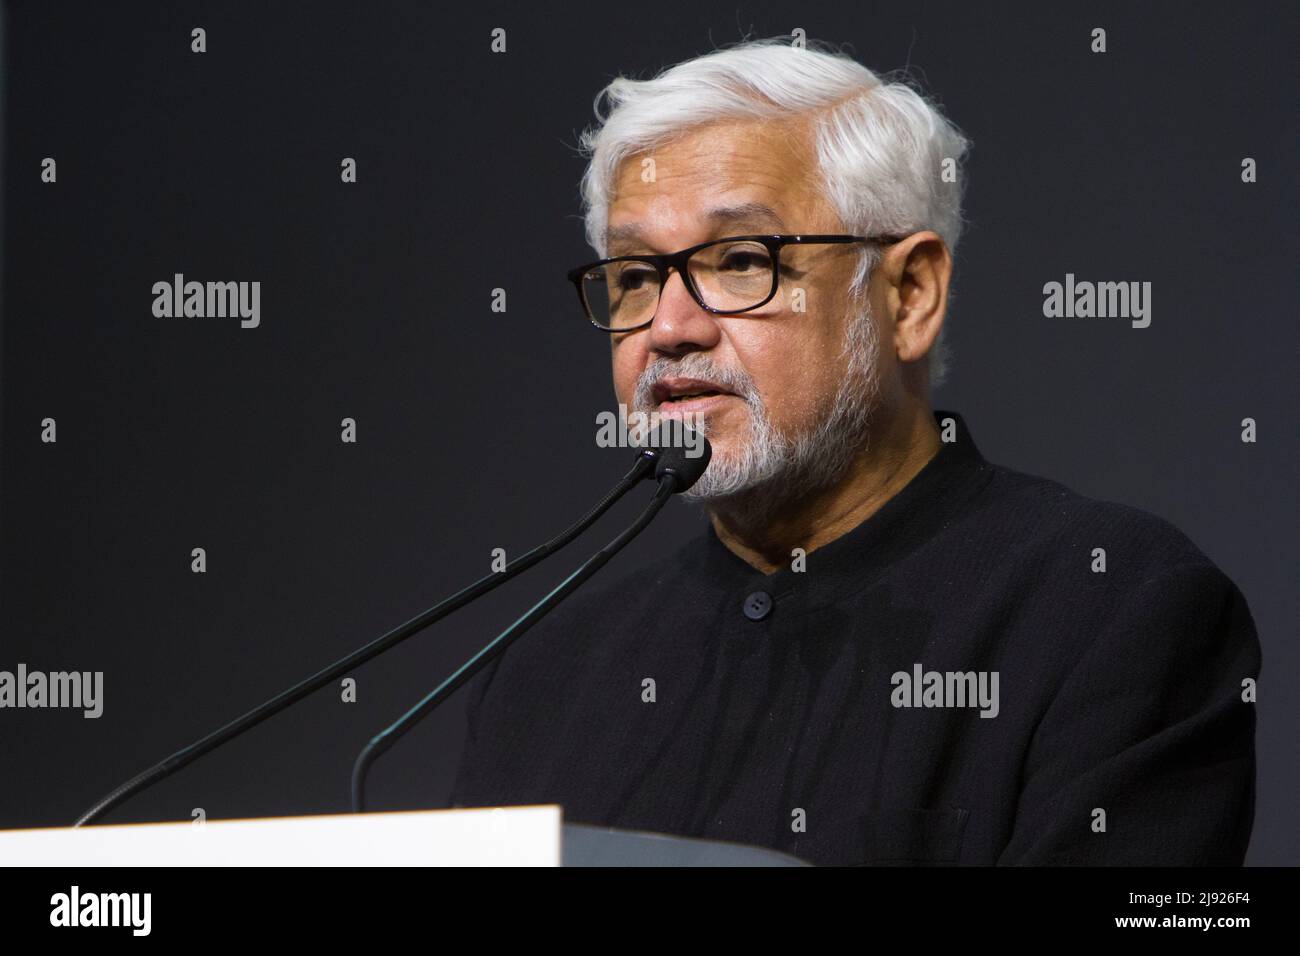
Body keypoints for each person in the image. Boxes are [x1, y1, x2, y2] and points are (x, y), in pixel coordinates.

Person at [451, 38, 1259, 865]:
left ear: (909, 296)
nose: (668, 327)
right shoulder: (543, 676)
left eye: (739, 261)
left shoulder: (1112, 607)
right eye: (634, 276)